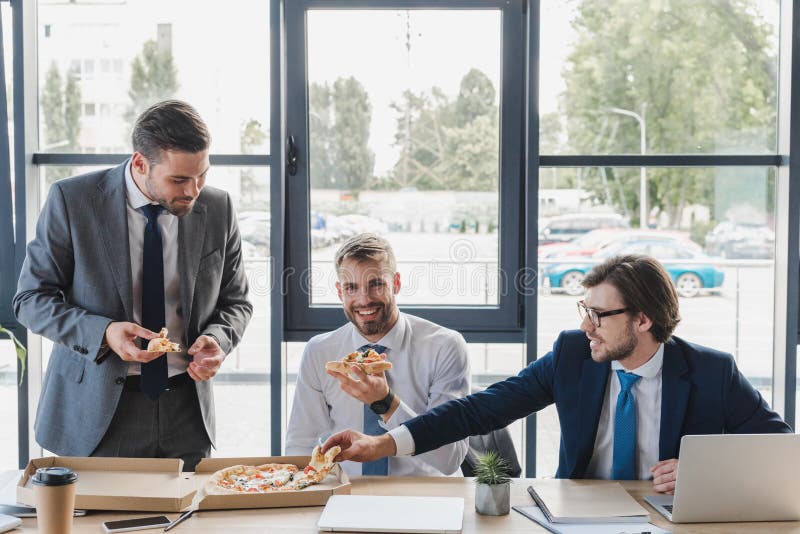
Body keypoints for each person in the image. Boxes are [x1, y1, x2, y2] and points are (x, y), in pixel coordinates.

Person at [322, 254, 791, 492]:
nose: (586, 326)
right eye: (584, 310)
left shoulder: (711, 373)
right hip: (578, 516)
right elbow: (478, 411)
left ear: (644, 319)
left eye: (600, 315)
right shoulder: (574, 355)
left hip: (667, 519)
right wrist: (381, 444)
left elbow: (784, 454)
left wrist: (704, 474)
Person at [13, 100, 253, 470]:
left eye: (202, 175)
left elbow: (236, 301)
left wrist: (218, 340)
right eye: (179, 179)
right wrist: (104, 332)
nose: (193, 190)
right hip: (97, 413)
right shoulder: (73, 200)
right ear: (140, 163)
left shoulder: (218, 208)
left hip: (186, 413)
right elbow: (30, 299)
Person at [286, 233, 470, 476]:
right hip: (346, 492)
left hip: (424, 494)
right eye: (352, 287)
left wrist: (386, 403)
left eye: (376, 284)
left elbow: (450, 459)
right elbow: (300, 444)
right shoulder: (320, 351)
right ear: (340, 292)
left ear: (396, 283)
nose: (364, 299)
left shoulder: (444, 346)